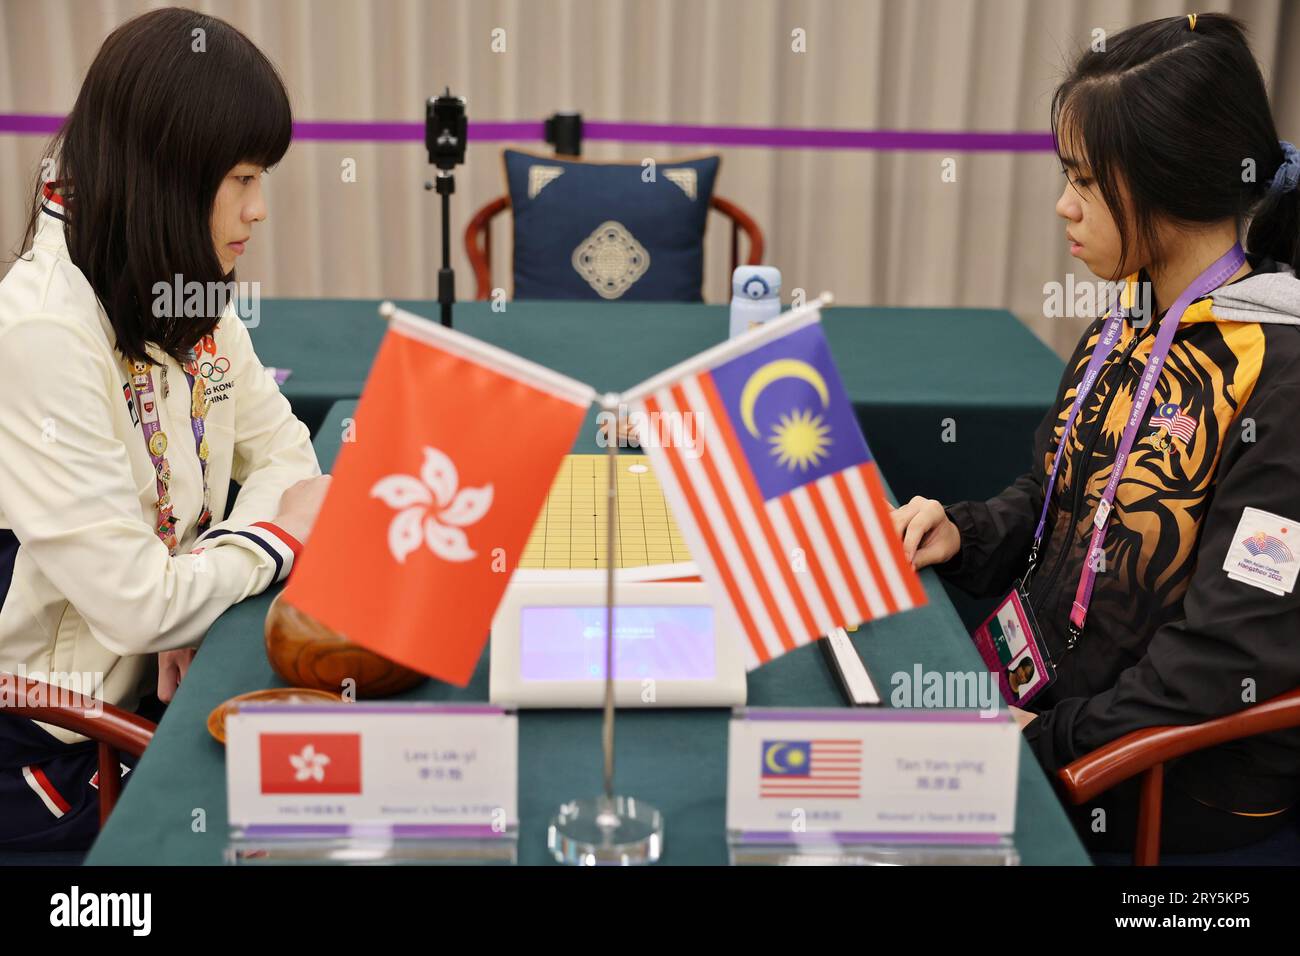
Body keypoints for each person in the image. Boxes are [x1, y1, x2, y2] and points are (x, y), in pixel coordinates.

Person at [892, 13, 1300, 855]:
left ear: (1165, 182)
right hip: (1060, 712)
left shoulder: (1281, 371)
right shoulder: (1127, 322)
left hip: (1160, 781)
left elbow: (1226, 660)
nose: (1062, 204)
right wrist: (960, 530)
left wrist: (1043, 743)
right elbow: (1052, 499)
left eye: (1084, 178)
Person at [0, 7, 330, 851]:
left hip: (152, 687)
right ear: (167, 176)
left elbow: (286, 454)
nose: (259, 211)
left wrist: (198, 594)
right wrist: (271, 541)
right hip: (60, 743)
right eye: (244, 178)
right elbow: (140, 604)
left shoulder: (181, 278)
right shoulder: (42, 334)